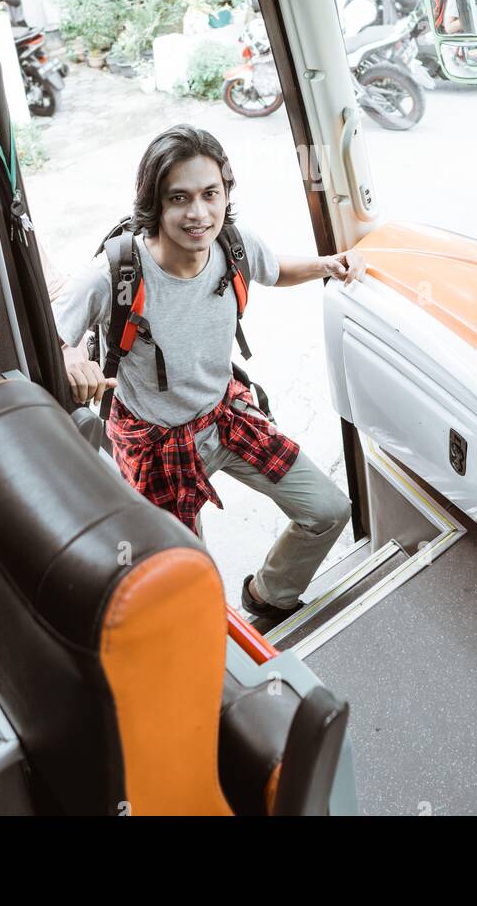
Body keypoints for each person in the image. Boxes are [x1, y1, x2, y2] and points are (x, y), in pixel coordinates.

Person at [51, 124, 365, 621]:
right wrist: (68, 356)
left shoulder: (233, 247)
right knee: (189, 583)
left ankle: (270, 595)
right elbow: (54, 333)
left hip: (223, 417)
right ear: (155, 203)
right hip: (157, 445)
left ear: (225, 193)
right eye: (179, 199)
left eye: (209, 194)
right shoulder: (114, 273)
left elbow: (275, 269)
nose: (198, 214)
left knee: (328, 512)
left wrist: (327, 265)